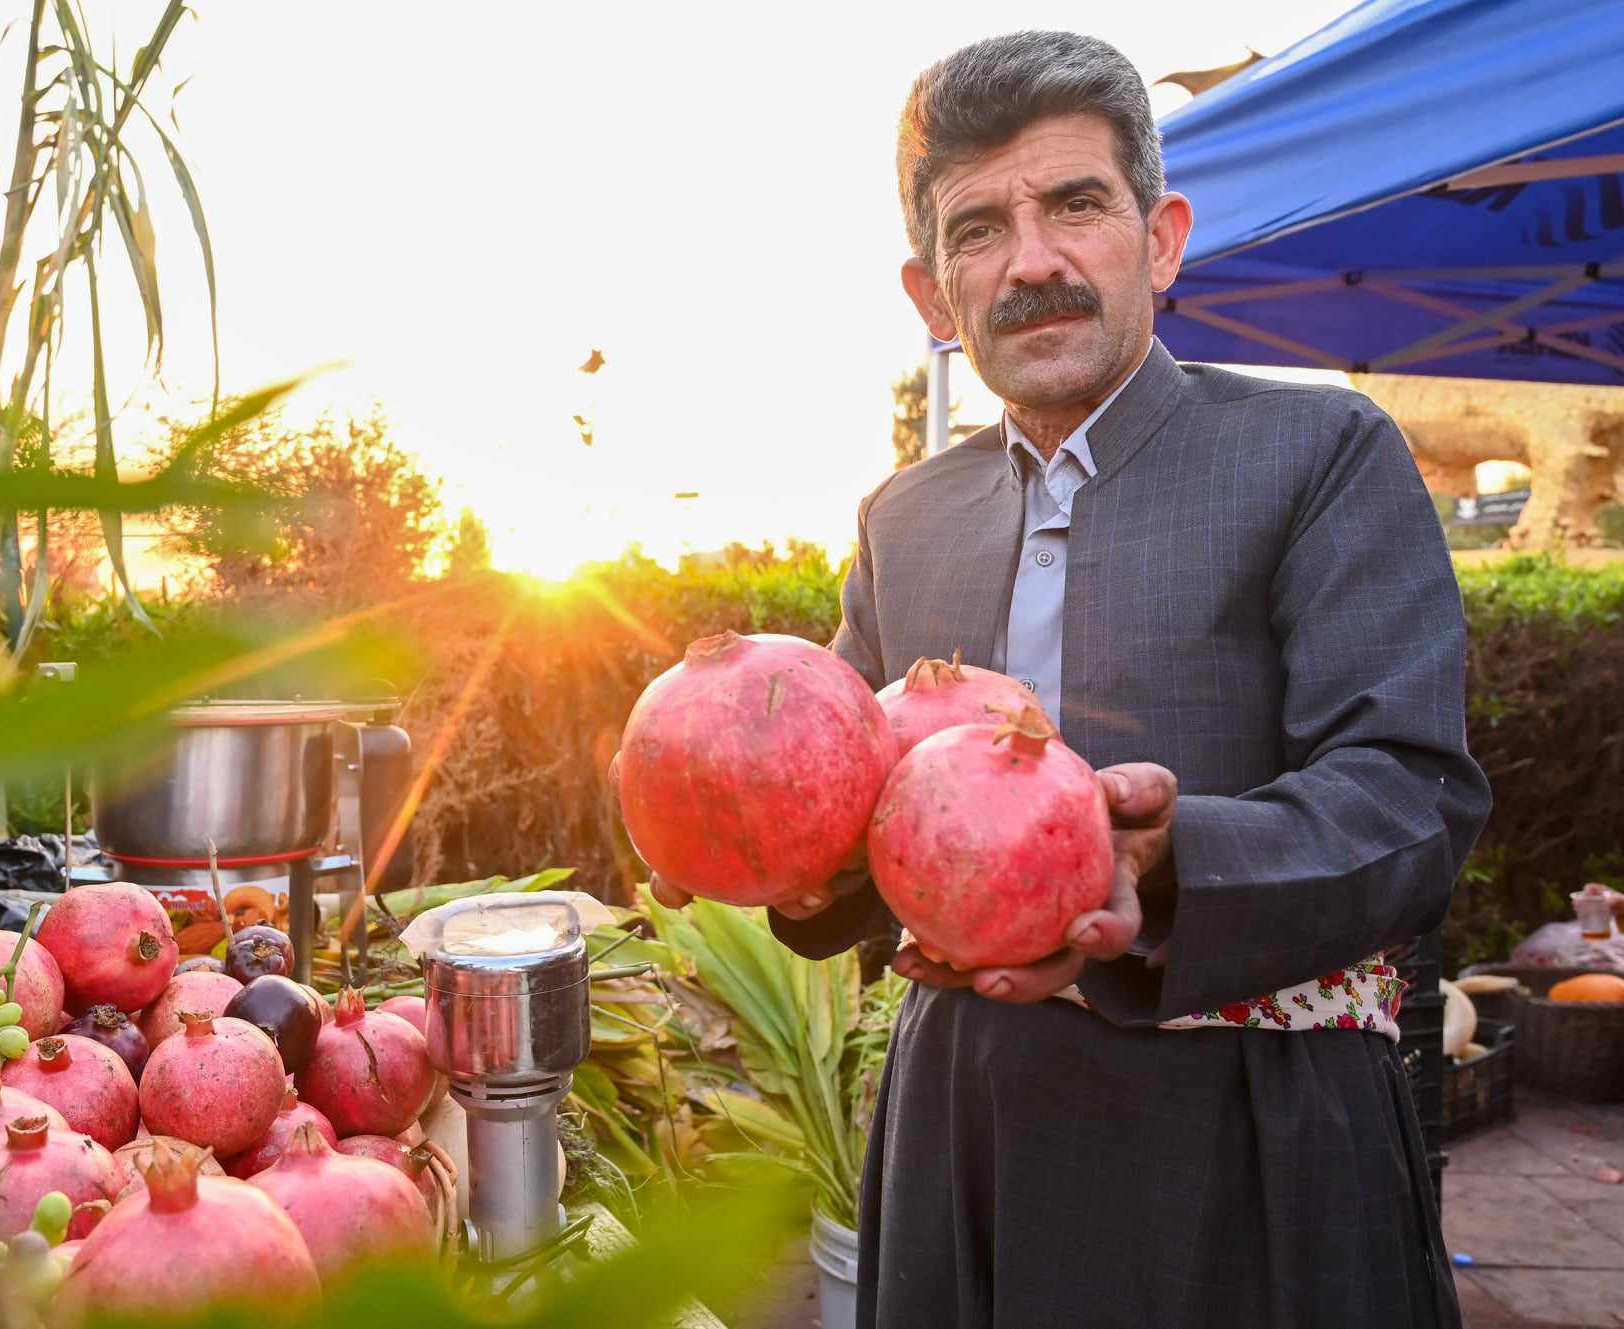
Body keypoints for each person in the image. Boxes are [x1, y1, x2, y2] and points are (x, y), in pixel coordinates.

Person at [636, 31, 1488, 1328]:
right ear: (932, 296)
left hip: (1247, 1122)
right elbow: (855, 814)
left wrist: (1164, 860)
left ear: (1161, 240)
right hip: (963, 1109)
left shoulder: (1320, 451)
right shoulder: (903, 517)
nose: (1030, 262)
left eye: (1076, 205)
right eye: (978, 229)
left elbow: (1410, 800)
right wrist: (768, 854)